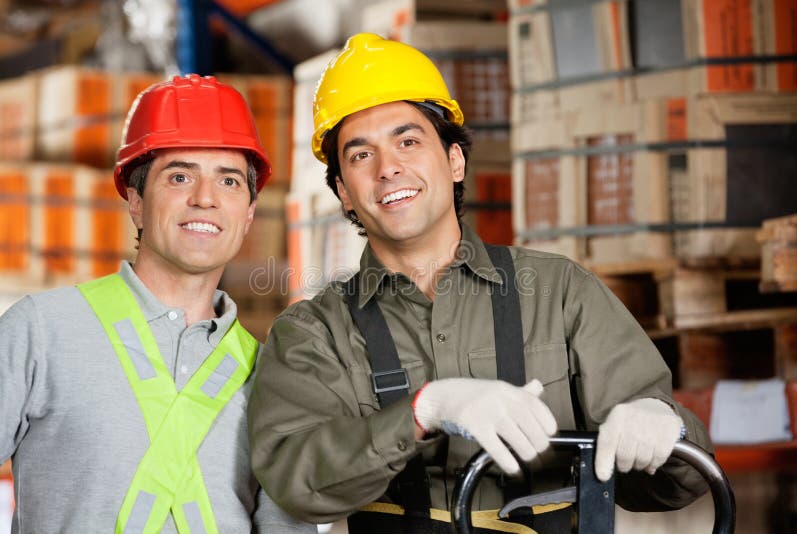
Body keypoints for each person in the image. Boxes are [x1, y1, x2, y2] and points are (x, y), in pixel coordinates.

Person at [248, 34, 713, 533]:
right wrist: (424, 412)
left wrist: (661, 429)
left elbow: (680, 482)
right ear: (343, 192)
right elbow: (294, 481)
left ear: (455, 161)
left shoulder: (560, 293)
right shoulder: (313, 332)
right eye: (361, 156)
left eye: (408, 142)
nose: (388, 169)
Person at [0, 74, 314, 534]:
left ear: (248, 213)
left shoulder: (271, 378)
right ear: (136, 201)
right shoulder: (41, 332)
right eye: (180, 176)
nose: (205, 198)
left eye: (228, 181)